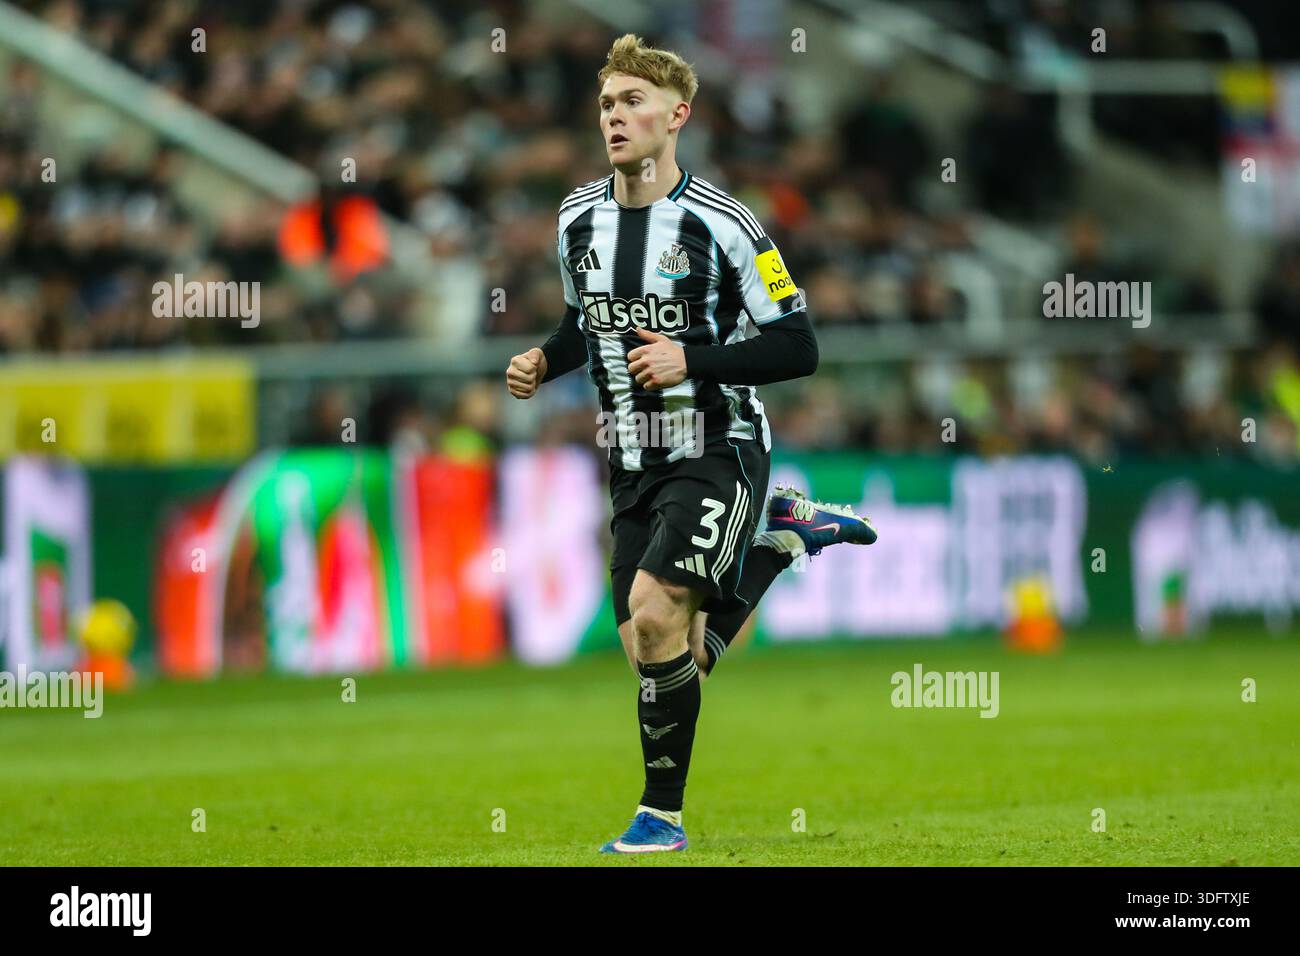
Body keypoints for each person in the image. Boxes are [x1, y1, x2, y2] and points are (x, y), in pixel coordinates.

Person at [505, 34, 877, 854]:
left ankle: (660, 818)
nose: (614, 116)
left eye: (632, 102)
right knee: (658, 652)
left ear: (677, 116)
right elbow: (581, 326)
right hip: (629, 456)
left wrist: (692, 360)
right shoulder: (575, 219)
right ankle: (781, 541)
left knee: (654, 612)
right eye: (606, 103)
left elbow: (799, 346)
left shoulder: (726, 223)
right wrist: (543, 360)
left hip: (717, 443)